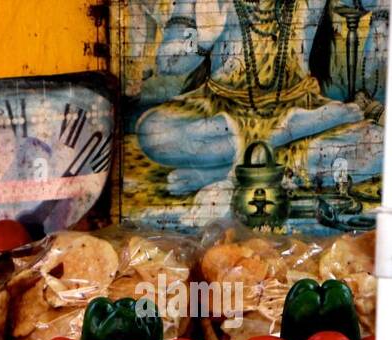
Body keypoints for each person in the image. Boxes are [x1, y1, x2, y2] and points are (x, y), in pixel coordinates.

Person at [136, 0, 383, 196]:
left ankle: (225, 171)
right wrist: (203, 37)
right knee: (152, 133)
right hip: (223, 111)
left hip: (298, 103)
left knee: (379, 146)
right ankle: (281, 139)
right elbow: (170, 64)